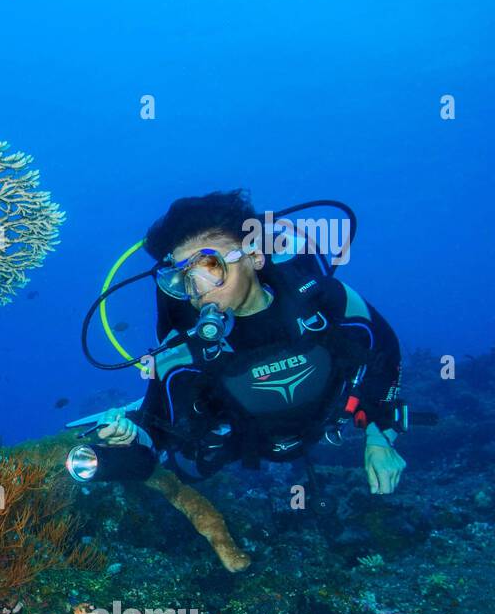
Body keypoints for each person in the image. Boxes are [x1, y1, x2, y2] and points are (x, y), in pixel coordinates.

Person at [96, 190, 406, 495]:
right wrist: (133, 438)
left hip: (325, 419)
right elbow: (156, 437)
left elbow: (384, 352)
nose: (197, 290)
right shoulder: (183, 351)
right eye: (182, 279)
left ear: (255, 255)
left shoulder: (324, 301)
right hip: (242, 441)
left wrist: (380, 436)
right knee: (188, 468)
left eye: (210, 267)